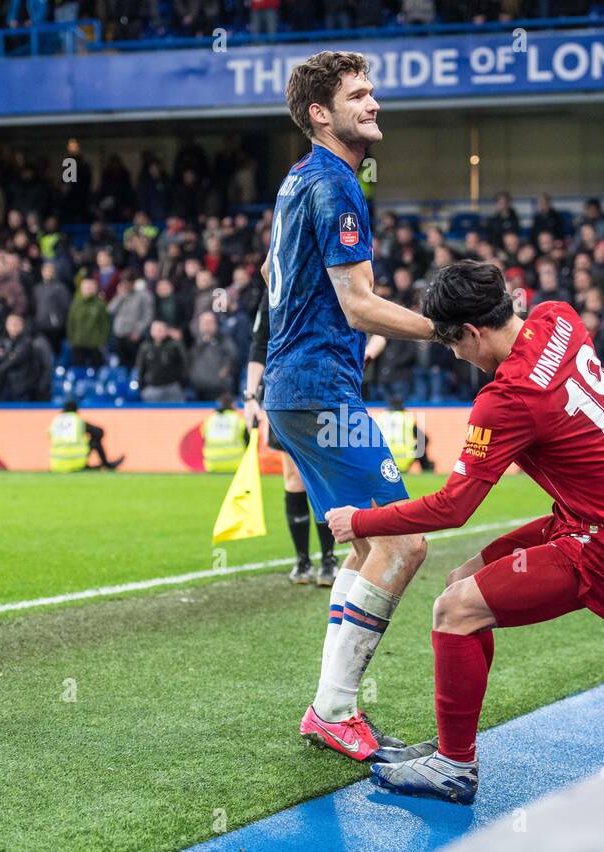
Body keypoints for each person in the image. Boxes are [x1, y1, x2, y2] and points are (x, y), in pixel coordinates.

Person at [326, 262, 604, 802]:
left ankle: (454, 767)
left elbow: (454, 506)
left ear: (472, 333)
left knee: (454, 610)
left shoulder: (506, 400)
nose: (455, 356)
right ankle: (452, 744)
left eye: (452, 344)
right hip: (588, 517)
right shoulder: (559, 316)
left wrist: (360, 521)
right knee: (462, 580)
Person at [264, 51, 437, 762]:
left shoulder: (300, 177)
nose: (373, 103)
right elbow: (359, 305)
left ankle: (330, 710)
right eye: (357, 94)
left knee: (368, 542)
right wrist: (453, 331)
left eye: (372, 92)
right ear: (319, 113)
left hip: (294, 387)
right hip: (318, 388)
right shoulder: (335, 182)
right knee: (404, 541)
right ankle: (334, 709)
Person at [243, 299, 338, 587]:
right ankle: (303, 560)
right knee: (294, 477)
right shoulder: (272, 291)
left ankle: (329, 559)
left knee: (323, 477)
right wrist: (249, 396)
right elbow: (260, 344)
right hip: (283, 392)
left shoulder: (324, 282)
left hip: (325, 390)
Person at [48, 399, 124, 473]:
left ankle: (102, 465)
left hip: (57, 465)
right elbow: (99, 432)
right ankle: (106, 465)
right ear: (76, 410)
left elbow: (49, 435)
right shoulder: (77, 420)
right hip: (75, 462)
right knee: (95, 441)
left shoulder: (55, 421)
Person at [374, 395, 432, 474]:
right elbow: (425, 439)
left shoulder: (381, 417)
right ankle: (426, 470)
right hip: (406, 457)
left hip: (385, 458)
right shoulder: (407, 417)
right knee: (421, 445)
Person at [200, 394, 248, 473]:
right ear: (233, 404)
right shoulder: (238, 419)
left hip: (212, 465)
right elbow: (249, 441)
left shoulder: (209, 419)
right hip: (236, 465)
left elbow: (204, 439)